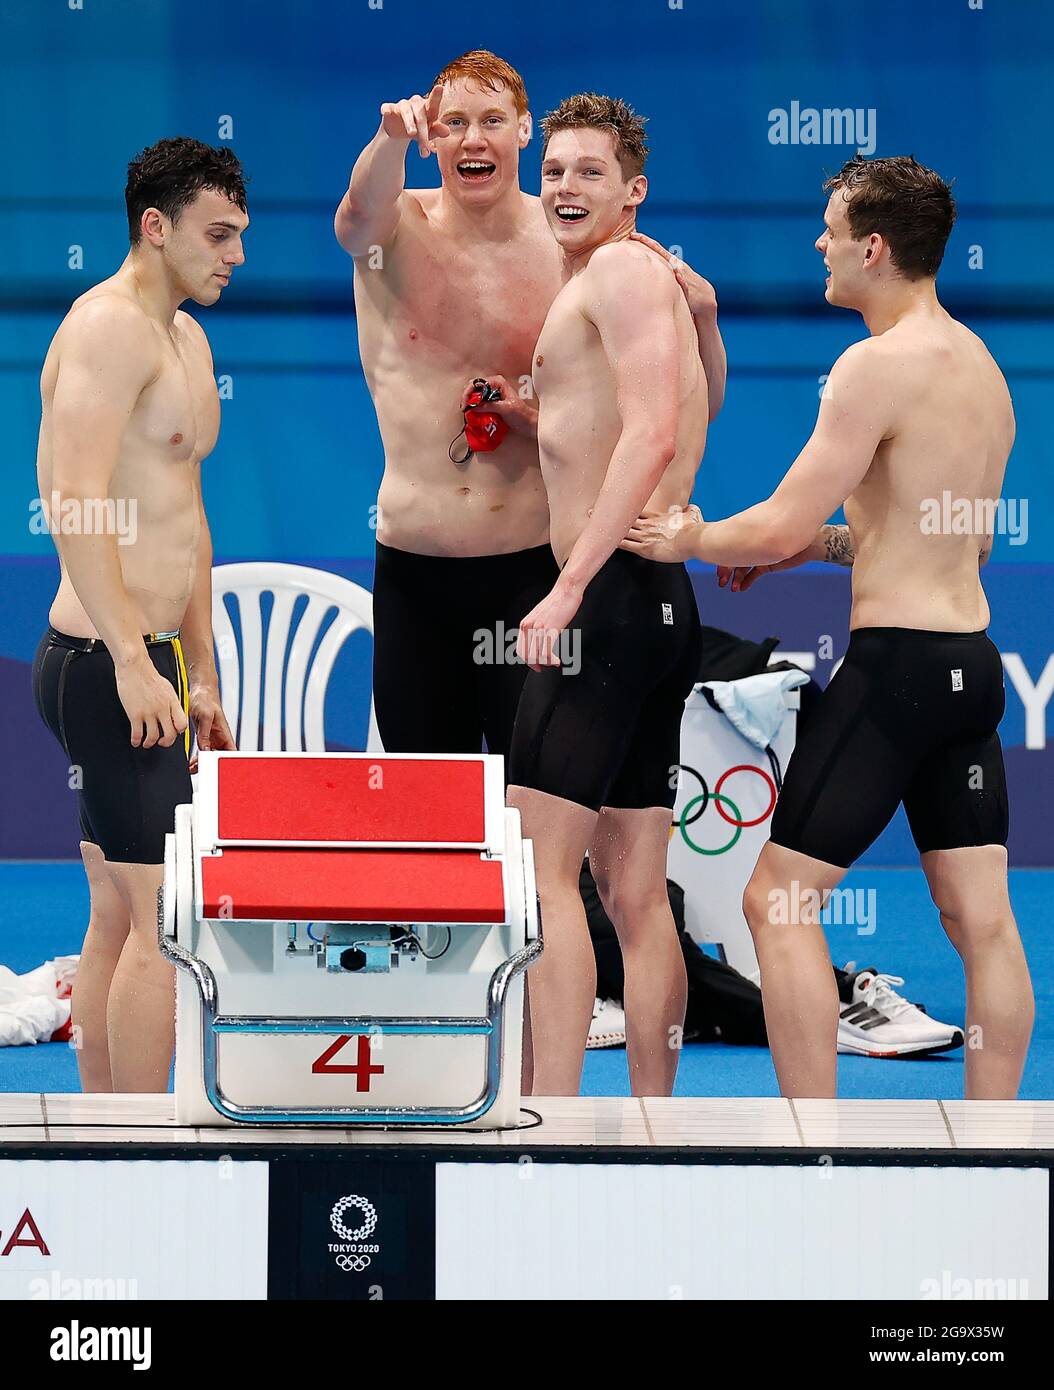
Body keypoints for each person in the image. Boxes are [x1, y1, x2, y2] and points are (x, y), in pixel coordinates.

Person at [625, 155, 1032, 1100]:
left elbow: (777, 517)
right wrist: (807, 555)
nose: (821, 242)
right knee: (983, 921)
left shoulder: (873, 365)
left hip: (896, 676)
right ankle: (997, 1138)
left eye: (834, 227)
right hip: (968, 668)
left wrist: (686, 535)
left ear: (874, 247)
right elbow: (949, 549)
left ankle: (811, 1139)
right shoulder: (982, 369)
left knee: (778, 900)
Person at [334, 52, 724, 765]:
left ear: (522, 133)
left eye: (491, 122)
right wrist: (389, 136)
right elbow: (358, 214)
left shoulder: (574, 245)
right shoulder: (395, 229)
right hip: (415, 569)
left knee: (539, 801)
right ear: (431, 137)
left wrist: (702, 322)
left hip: (533, 568)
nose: (471, 139)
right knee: (431, 809)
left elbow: (656, 407)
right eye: (452, 123)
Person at [499, 93, 711, 1097]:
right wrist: (532, 408)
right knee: (634, 893)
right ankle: (651, 1122)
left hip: (607, 600)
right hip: (657, 603)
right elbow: (679, 393)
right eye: (552, 171)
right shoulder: (652, 280)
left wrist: (567, 585)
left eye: (588, 172)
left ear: (634, 192)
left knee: (543, 879)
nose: (562, 188)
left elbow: (654, 432)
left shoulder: (622, 271)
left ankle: (552, 1117)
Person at [31, 138, 245, 1092]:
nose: (235, 255)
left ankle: (100, 1133)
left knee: (121, 915)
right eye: (217, 234)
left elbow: (189, 517)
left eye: (240, 235)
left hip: (152, 663)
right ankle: (141, 1144)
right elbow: (69, 499)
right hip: (97, 660)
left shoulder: (187, 339)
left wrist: (192, 671)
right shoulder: (107, 327)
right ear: (154, 228)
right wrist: (128, 657)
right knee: (164, 917)